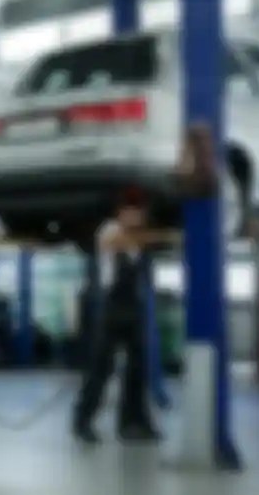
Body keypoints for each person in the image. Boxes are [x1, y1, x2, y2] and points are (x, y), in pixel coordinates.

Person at [72, 189, 180, 444]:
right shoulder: (109, 232)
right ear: (120, 212)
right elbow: (118, 243)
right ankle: (82, 421)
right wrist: (167, 236)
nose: (136, 216)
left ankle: (134, 423)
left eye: (140, 212)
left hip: (134, 308)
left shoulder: (139, 241)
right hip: (110, 310)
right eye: (131, 211)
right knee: (101, 368)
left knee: (138, 369)